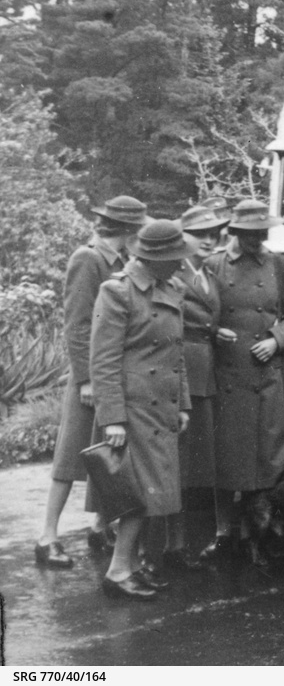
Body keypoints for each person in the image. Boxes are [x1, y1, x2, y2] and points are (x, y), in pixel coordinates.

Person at [35, 195, 147, 569]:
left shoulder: (120, 261)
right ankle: (47, 536)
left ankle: (101, 527)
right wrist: (85, 379)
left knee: (108, 456)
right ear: (128, 232)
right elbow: (77, 324)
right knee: (70, 459)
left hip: (109, 376)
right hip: (89, 379)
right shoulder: (88, 258)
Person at [90, 220, 195, 599]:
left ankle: (131, 567)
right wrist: (112, 418)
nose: (180, 265)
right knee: (139, 494)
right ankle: (118, 571)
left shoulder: (173, 288)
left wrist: (182, 403)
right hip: (133, 406)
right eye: (174, 258)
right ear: (153, 259)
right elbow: (102, 360)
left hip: (161, 406)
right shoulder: (116, 292)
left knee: (154, 493)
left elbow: (176, 353)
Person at [201, 200, 284, 562]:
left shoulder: (278, 263)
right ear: (234, 231)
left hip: (265, 377)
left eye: (262, 233)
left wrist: (276, 338)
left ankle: (256, 534)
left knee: (265, 461)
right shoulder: (212, 264)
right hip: (226, 376)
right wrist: (214, 331)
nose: (256, 239)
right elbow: (196, 316)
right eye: (249, 234)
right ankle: (222, 533)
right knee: (226, 461)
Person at [161, 205, 233, 570]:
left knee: (195, 467)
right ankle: (168, 546)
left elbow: (203, 319)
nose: (209, 240)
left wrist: (213, 331)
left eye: (215, 233)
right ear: (182, 236)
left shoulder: (206, 272)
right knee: (177, 465)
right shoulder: (173, 272)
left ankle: (180, 544)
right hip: (181, 371)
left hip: (205, 373)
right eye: (201, 233)